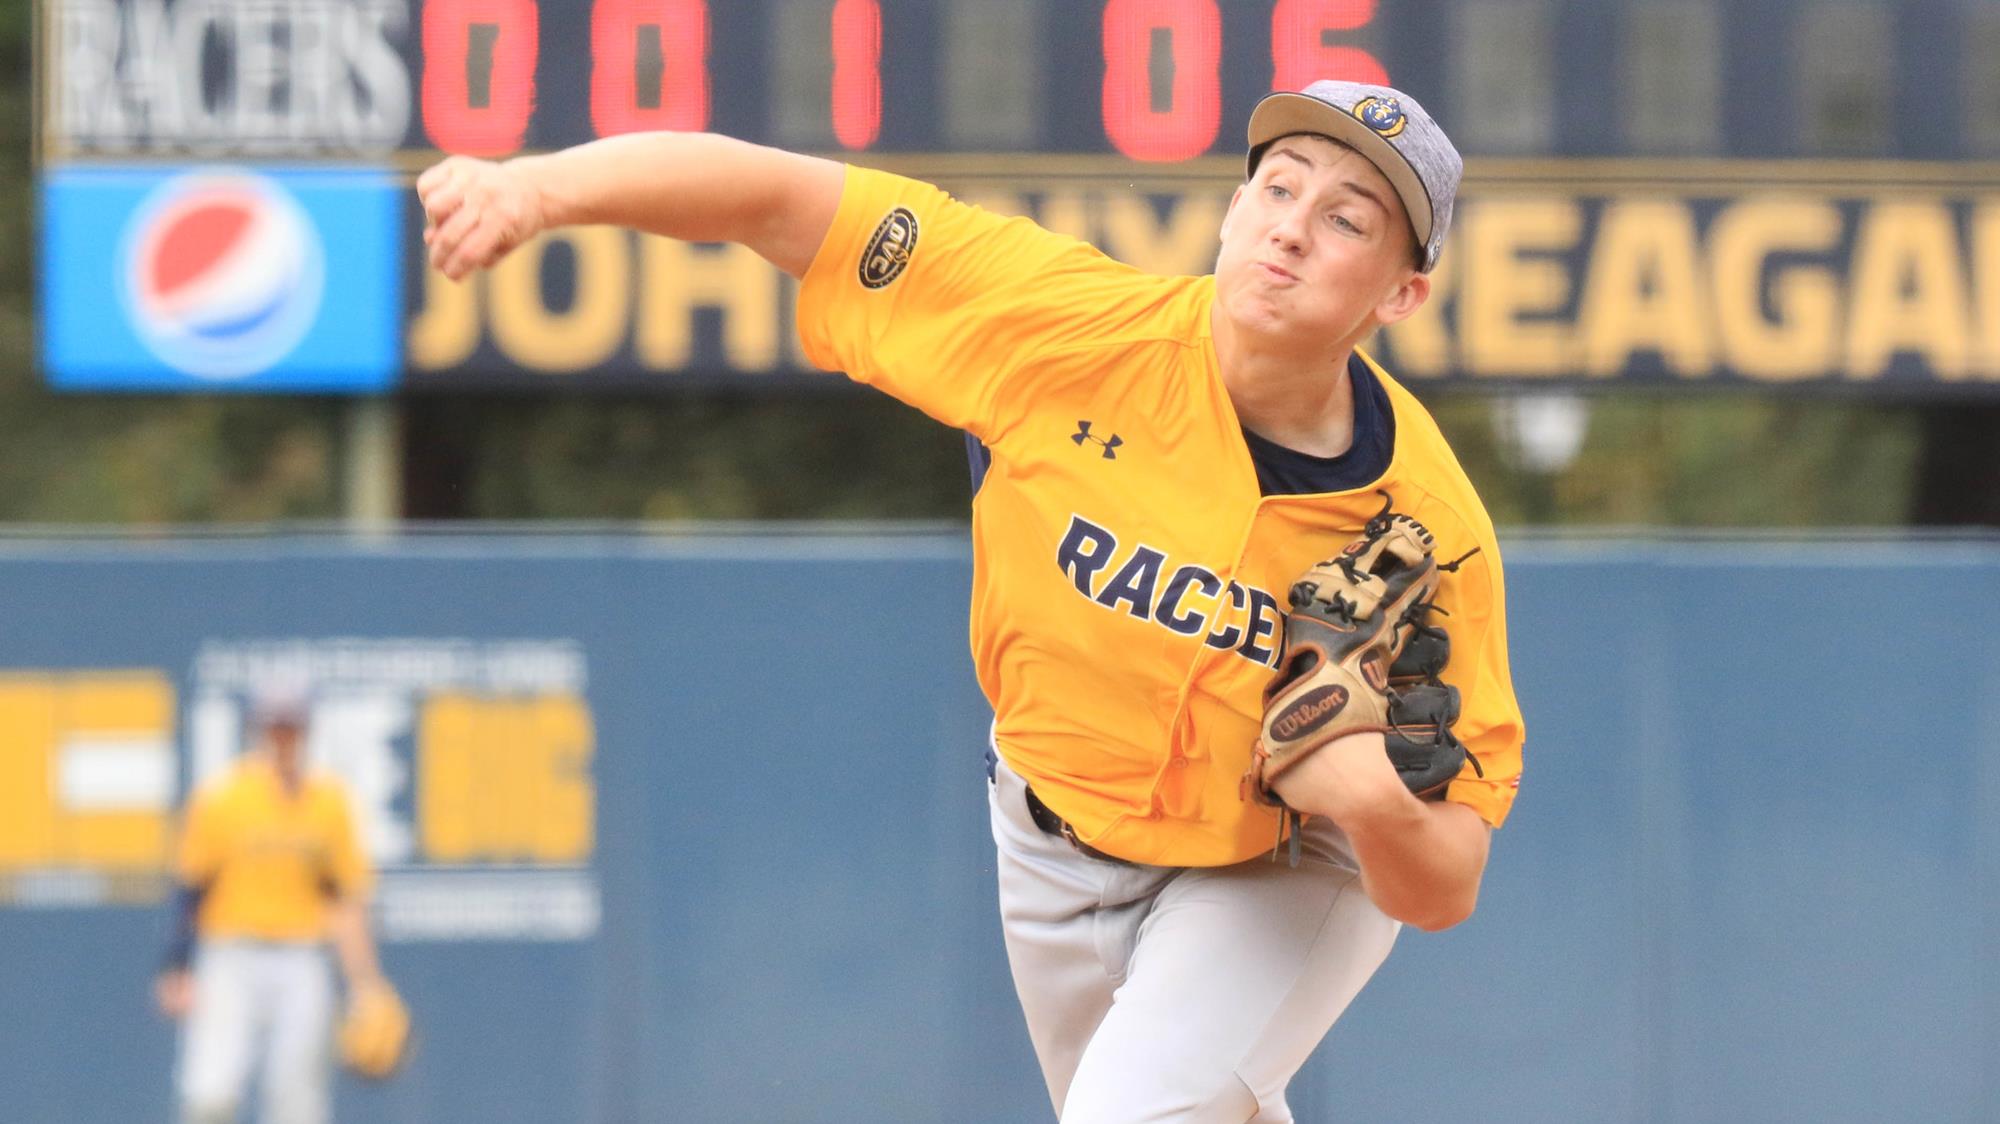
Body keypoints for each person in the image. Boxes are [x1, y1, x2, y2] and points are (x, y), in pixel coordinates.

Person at [419, 78, 1524, 1122]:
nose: (1290, 226)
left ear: (1400, 290)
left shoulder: (1430, 533)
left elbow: (1443, 886)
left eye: (1346, 218)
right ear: (1231, 211)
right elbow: (781, 198)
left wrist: (1374, 804)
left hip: (1278, 863)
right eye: (1277, 187)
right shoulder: (1061, 327)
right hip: (1044, 836)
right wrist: (536, 188)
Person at [154, 691, 392, 1124]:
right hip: (231, 954)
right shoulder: (225, 798)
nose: (283, 737)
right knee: (210, 1092)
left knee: (298, 1101)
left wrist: (366, 983)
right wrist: (177, 964)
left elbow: (345, 901)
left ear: (306, 731)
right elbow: (192, 888)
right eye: (275, 726)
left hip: (302, 958)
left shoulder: (328, 802)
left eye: (292, 727)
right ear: (258, 731)